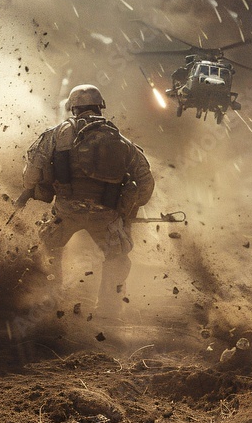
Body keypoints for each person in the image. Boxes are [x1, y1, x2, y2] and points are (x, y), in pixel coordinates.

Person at [22, 84, 154, 317]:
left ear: (73, 108)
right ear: (100, 107)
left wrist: (31, 189)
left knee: (49, 247)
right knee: (117, 258)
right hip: (106, 213)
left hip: (66, 209)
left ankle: (49, 301)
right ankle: (108, 310)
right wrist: (126, 210)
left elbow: (32, 171)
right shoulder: (120, 140)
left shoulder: (56, 134)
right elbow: (145, 182)